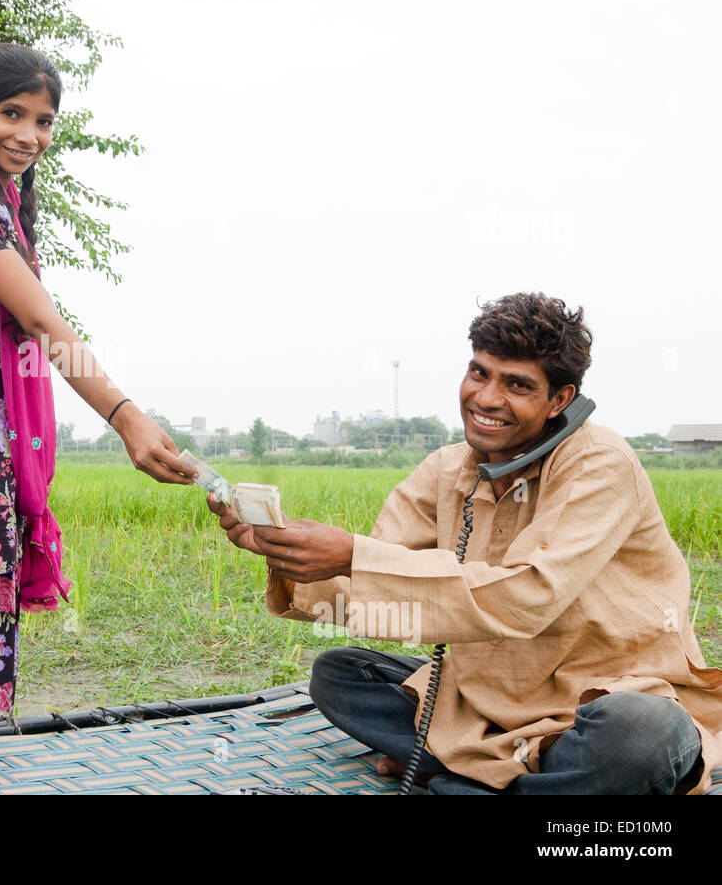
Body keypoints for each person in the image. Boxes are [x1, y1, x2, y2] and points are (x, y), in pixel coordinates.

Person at [211, 292, 722, 794]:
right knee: (338, 675)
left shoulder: (598, 463)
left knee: (640, 736)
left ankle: (462, 769)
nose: (487, 398)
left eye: (518, 384)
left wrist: (351, 554)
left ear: (559, 401)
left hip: (599, 696)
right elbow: (375, 585)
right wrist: (287, 553)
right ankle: (506, 775)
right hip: (486, 694)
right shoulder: (447, 468)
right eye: (480, 372)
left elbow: (527, 597)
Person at [0, 43, 194, 728]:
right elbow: (39, 319)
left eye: (44, 120)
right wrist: (127, 418)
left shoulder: (1, 207)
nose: (29, 135)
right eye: (11, 114)